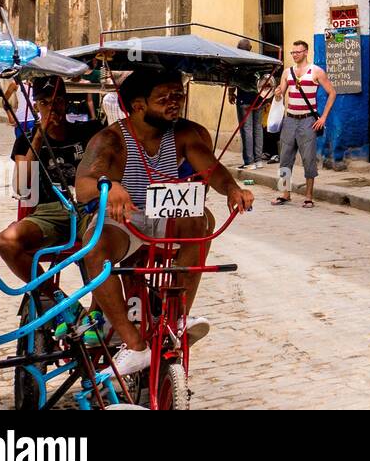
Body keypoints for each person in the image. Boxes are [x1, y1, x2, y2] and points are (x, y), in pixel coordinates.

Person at [74, 67, 254, 378]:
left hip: (166, 214)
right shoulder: (111, 139)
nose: (174, 103)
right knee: (94, 250)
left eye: (178, 96)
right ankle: (133, 344)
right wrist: (108, 185)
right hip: (125, 218)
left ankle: (179, 317)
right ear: (138, 105)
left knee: (200, 219)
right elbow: (83, 185)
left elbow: (211, 168)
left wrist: (231, 189)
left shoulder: (183, 133)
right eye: (164, 98)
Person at [0, 77, 94, 283]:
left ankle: (99, 302)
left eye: (58, 101)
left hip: (86, 209)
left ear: (66, 103)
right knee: (6, 242)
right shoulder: (25, 140)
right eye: (44, 102)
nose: (52, 108)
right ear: (36, 106)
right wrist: (39, 138)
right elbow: (21, 187)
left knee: (104, 242)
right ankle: (55, 296)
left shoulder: (86, 133)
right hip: (48, 213)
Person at [271, 40, 336, 209]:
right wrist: (277, 94)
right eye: (293, 52)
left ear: (306, 52)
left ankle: (308, 196)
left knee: (308, 159)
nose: (295, 55)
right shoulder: (287, 72)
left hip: (308, 121)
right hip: (290, 119)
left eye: (298, 52)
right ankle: (285, 194)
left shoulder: (316, 71)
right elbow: (281, 93)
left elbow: (332, 93)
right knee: (285, 158)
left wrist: (323, 118)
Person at [226, 40, 267, 171]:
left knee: (247, 130)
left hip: (244, 101)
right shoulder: (258, 62)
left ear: (238, 48)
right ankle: (258, 160)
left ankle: (249, 162)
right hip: (259, 100)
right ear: (250, 48)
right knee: (258, 128)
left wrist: (230, 94)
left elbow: (233, 80)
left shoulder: (238, 63)